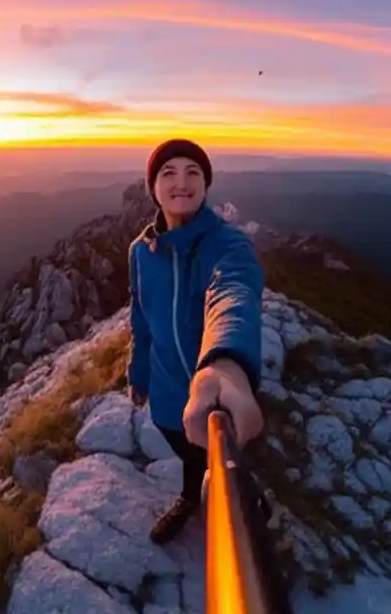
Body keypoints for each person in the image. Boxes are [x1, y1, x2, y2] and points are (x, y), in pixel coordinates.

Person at [126, 138, 266, 544]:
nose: (181, 183)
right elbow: (141, 318)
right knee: (191, 453)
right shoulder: (141, 252)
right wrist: (138, 373)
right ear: (153, 187)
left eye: (193, 173)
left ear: (206, 184)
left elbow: (233, 291)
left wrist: (225, 361)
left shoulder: (227, 244)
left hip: (213, 397)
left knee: (224, 459)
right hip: (167, 394)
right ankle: (192, 496)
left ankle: (241, 502)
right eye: (168, 173)